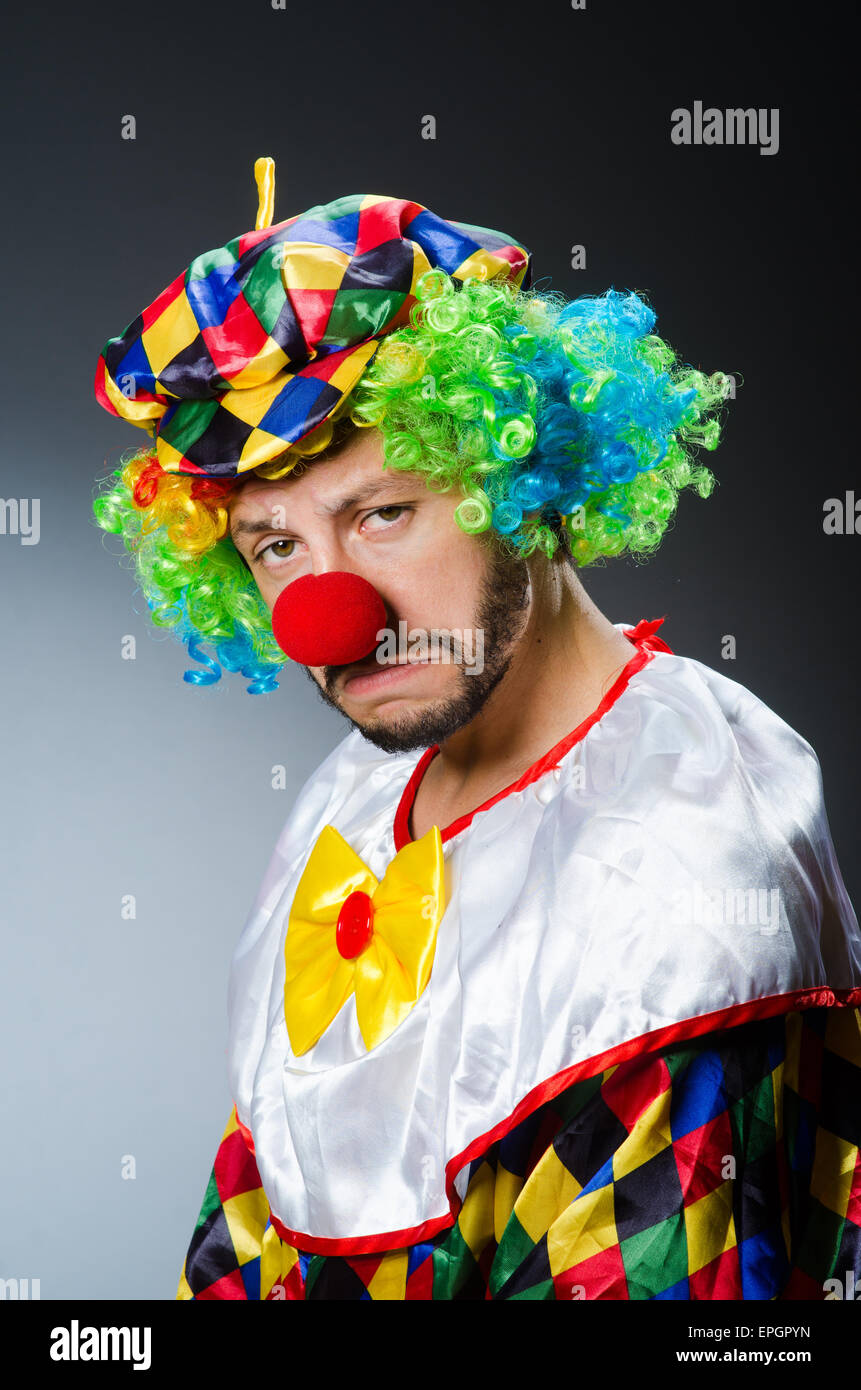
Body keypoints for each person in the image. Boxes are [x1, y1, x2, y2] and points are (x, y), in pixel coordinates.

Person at [92, 158, 861, 1300]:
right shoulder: (353, 799)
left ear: (527, 477)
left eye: (383, 512)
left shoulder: (676, 887)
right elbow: (249, 1224)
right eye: (276, 546)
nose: (327, 613)